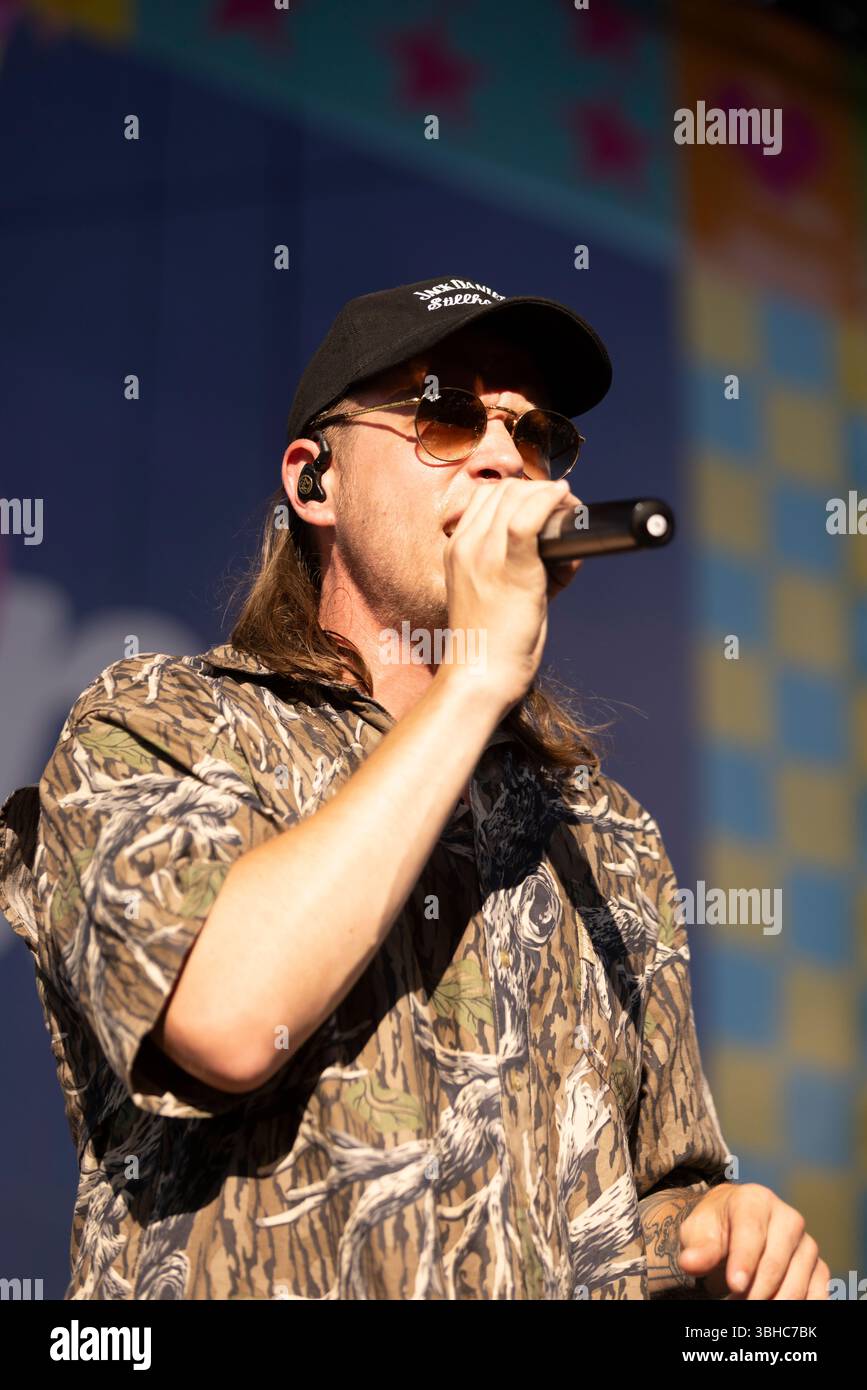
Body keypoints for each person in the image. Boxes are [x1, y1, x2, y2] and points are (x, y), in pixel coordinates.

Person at [0, 275, 828, 1301]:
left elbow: (646, 1203)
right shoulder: (158, 722)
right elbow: (222, 1022)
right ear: (316, 482)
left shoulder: (604, 835)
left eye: (536, 434)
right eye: (444, 412)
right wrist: (473, 678)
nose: (502, 457)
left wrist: (717, 1235)